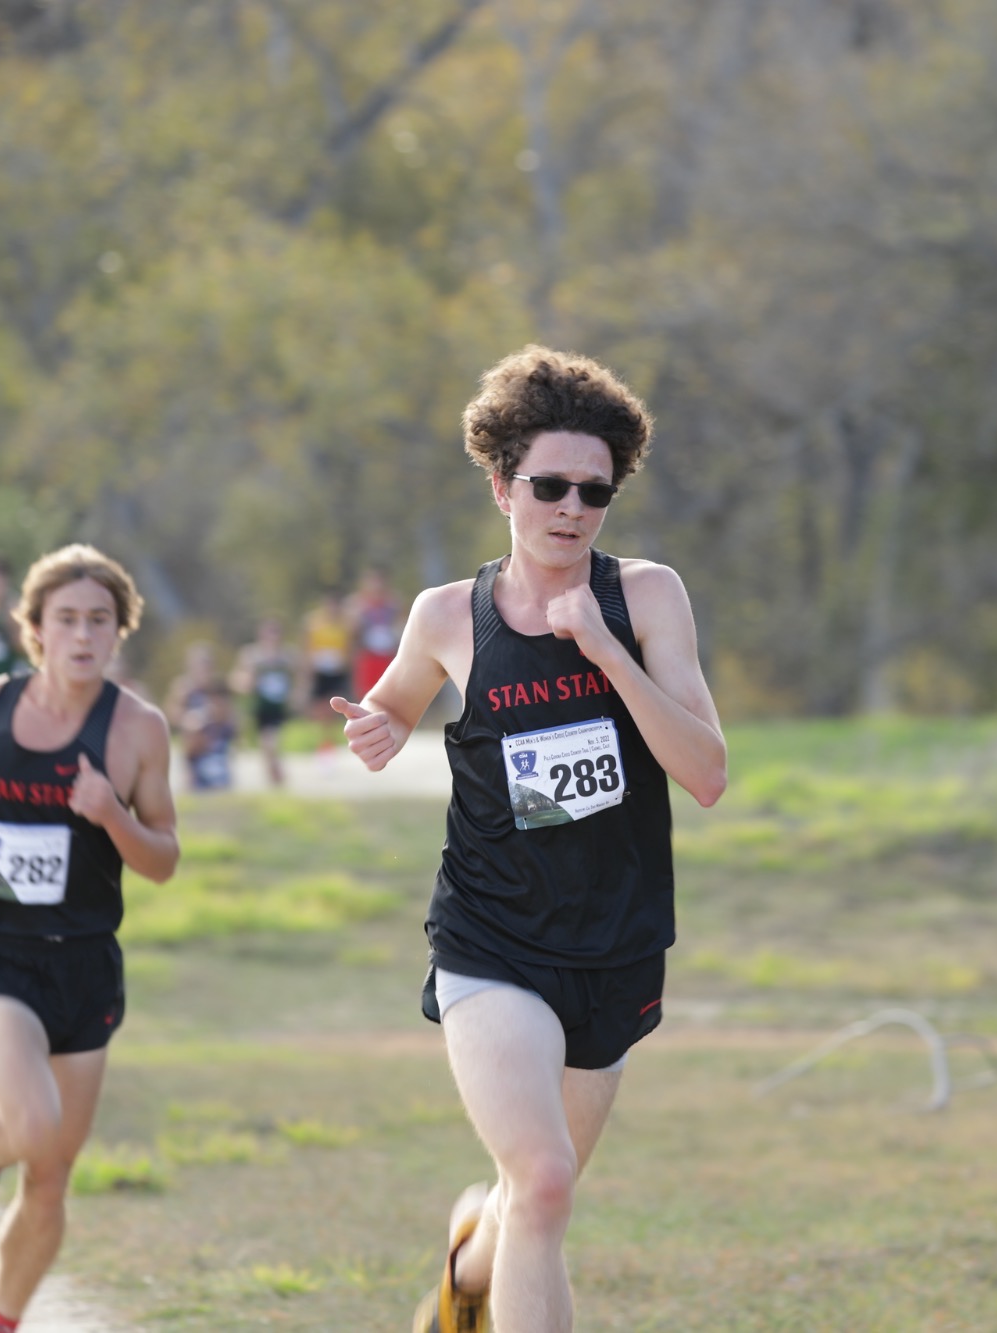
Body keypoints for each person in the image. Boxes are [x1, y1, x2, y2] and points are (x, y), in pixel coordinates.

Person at [331, 346, 725, 1332]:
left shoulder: (645, 598)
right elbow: (388, 712)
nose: (571, 509)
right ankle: (486, 1248)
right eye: (549, 485)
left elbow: (706, 770)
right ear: (503, 483)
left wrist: (603, 650)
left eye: (594, 491)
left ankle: (467, 1264)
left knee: (527, 1199)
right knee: (544, 1181)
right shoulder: (443, 617)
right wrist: (376, 729)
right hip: (491, 939)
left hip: (615, 942)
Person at [0, 543, 178, 1333]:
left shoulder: (137, 730)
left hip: (86, 964)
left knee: (50, 1177)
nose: (84, 636)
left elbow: (163, 859)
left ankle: (2, 1318)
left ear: (118, 632)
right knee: (34, 1122)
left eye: (99, 620)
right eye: (67, 620)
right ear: (36, 629)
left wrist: (113, 815)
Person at [231, 617, 297, 788]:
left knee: (272, 741)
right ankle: (275, 778)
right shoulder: (251, 656)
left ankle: (276, 778)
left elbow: (299, 677)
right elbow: (237, 680)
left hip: (279, 707)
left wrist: (296, 695)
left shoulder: (287, 656)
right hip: (260, 706)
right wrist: (248, 682)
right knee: (266, 743)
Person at [166, 642, 235, 792]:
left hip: (216, 732)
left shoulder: (217, 687)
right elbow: (172, 713)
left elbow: (230, 712)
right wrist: (189, 719)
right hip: (193, 736)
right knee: (192, 731)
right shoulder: (184, 687)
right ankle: (191, 779)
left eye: (206, 666)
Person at [303, 591, 352, 743]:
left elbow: (349, 648)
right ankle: (321, 738)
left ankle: (331, 739)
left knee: (334, 706)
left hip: (337, 671)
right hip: (320, 670)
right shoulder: (314, 623)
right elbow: (308, 647)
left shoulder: (346, 624)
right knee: (319, 707)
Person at [352, 567, 401, 702]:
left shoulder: (393, 604)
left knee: (388, 689)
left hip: (388, 654)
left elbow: (399, 627)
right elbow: (354, 632)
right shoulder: (359, 604)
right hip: (368, 654)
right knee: (367, 691)